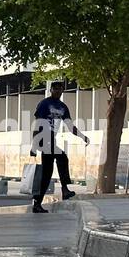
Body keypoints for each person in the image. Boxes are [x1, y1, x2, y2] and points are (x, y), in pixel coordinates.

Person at [30, 81, 89, 214]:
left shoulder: (63, 107)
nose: (57, 91)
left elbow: (70, 126)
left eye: (60, 89)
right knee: (61, 159)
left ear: (62, 91)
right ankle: (64, 189)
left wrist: (82, 136)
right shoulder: (44, 104)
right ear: (51, 90)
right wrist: (34, 144)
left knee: (48, 171)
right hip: (43, 136)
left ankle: (38, 203)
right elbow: (37, 123)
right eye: (55, 89)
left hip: (51, 138)